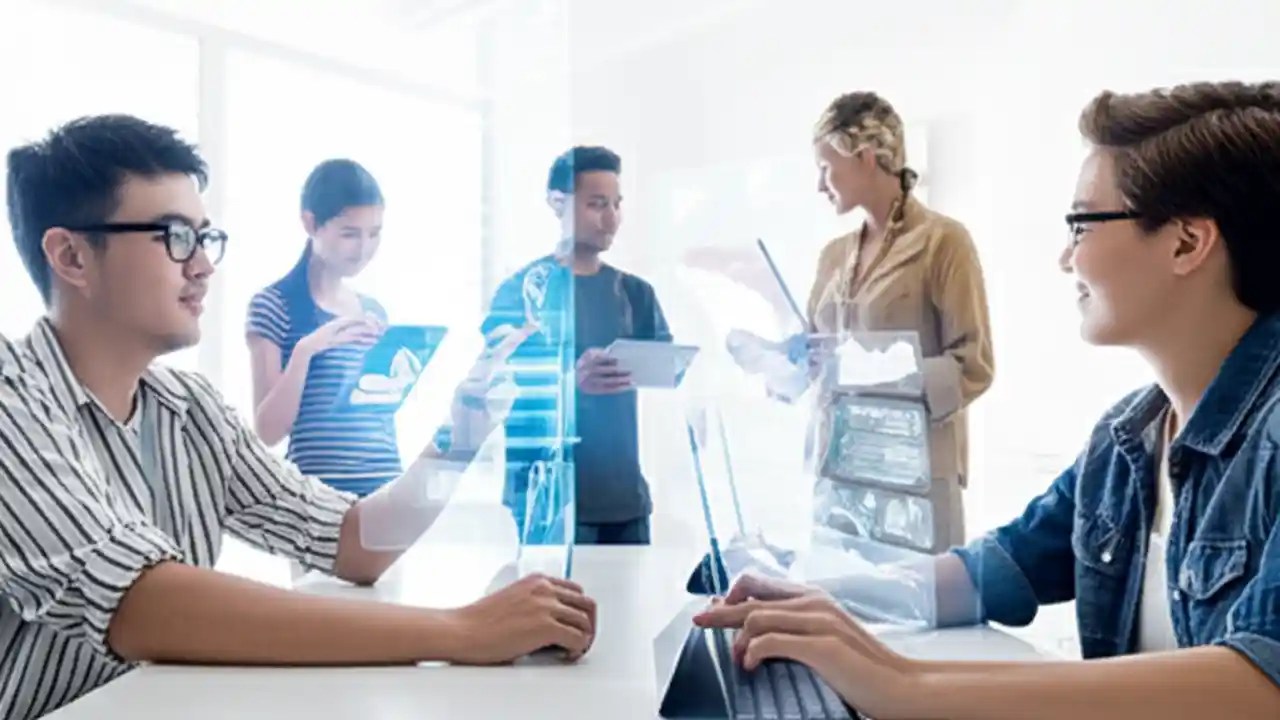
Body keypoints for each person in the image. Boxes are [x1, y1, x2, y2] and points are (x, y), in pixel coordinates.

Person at [696, 80, 1280, 719]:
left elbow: (1259, 683)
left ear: (1187, 243)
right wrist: (819, 599)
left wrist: (901, 683)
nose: (1065, 258)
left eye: (1082, 224)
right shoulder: (1128, 438)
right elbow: (996, 568)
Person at [0, 115, 596, 720]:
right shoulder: (10, 398)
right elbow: (139, 602)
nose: (203, 266)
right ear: (71, 255)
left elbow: (356, 543)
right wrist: (462, 632)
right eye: (175, 237)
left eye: (206, 239)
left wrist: (461, 429)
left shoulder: (191, 411)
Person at [483, 146, 672, 545]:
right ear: (557, 203)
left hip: (623, 499)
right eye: (596, 204)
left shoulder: (635, 293)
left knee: (628, 606)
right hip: (545, 495)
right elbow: (492, 385)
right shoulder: (521, 292)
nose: (611, 218)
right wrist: (568, 379)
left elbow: (670, 368)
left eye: (617, 204)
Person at [246, 159, 398, 498]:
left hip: (385, 491)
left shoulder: (373, 311)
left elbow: (378, 417)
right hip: (317, 503)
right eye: (349, 234)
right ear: (311, 223)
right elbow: (268, 431)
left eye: (374, 234)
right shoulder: (274, 305)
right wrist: (306, 351)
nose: (363, 249)